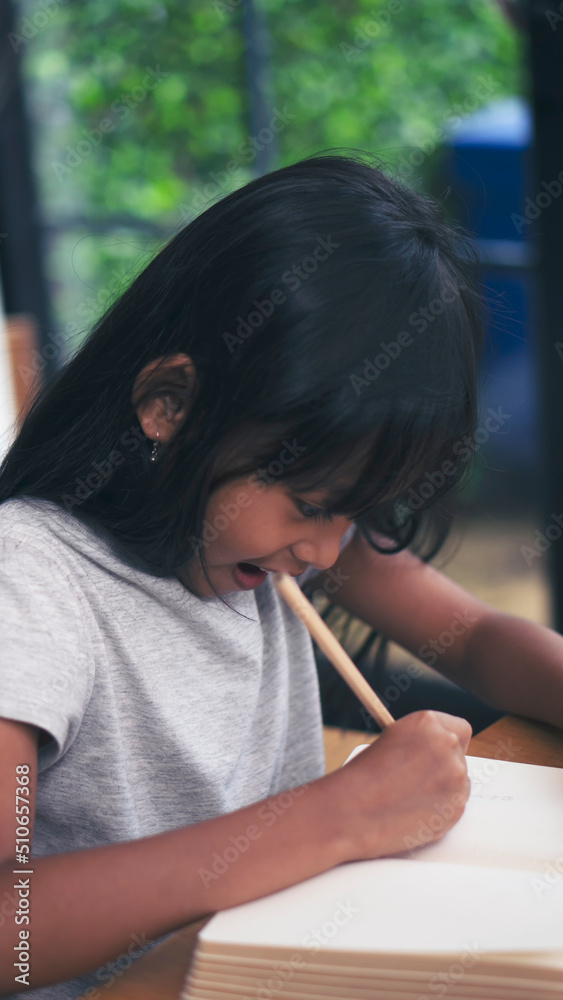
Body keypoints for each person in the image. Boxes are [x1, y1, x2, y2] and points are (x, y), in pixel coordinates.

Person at [0, 150, 562, 999]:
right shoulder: (33, 587)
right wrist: (333, 818)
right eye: (311, 503)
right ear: (168, 405)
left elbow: (475, 637)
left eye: (355, 512)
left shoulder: (266, 535)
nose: (330, 553)